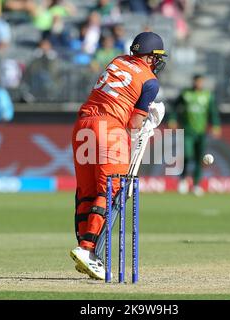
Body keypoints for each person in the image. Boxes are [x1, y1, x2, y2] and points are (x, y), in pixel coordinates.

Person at [70, 31, 167, 280]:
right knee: (111, 190)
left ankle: (84, 247)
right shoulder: (150, 81)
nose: (157, 62)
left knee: (88, 191)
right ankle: (88, 251)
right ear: (148, 57)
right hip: (109, 129)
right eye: (156, 57)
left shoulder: (117, 60)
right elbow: (134, 123)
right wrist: (149, 121)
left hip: (82, 125)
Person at [169, 74, 221, 197]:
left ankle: (196, 184)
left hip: (201, 132)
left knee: (199, 159)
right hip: (188, 131)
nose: (198, 83)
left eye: (200, 81)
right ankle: (183, 180)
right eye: (196, 81)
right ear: (193, 82)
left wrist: (216, 126)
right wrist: (172, 119)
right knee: (187, 154)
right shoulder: (186, 94)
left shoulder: (207, 95)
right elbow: (175, 107)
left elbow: (212, 112)